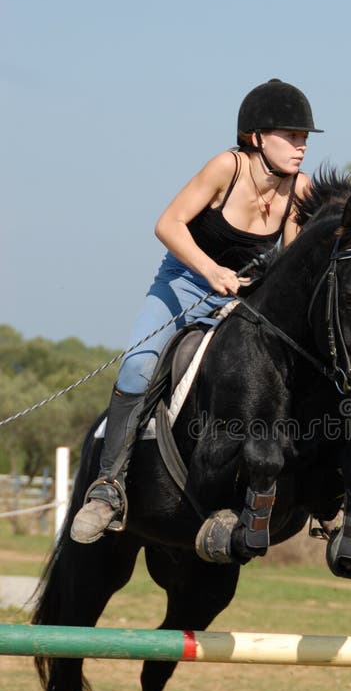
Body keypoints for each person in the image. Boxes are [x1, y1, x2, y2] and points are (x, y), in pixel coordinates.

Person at [71, 79, 322, 544]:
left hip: (244, 299)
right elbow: (167, 224)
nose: (301, 146)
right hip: (185, 283)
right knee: (138, 366)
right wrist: (210, 271)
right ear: (255, 137)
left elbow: (289, 262)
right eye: (291, 135)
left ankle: (320, 491)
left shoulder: (299, 188)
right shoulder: (226, 167)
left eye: (304, 137)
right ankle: (108, 487)